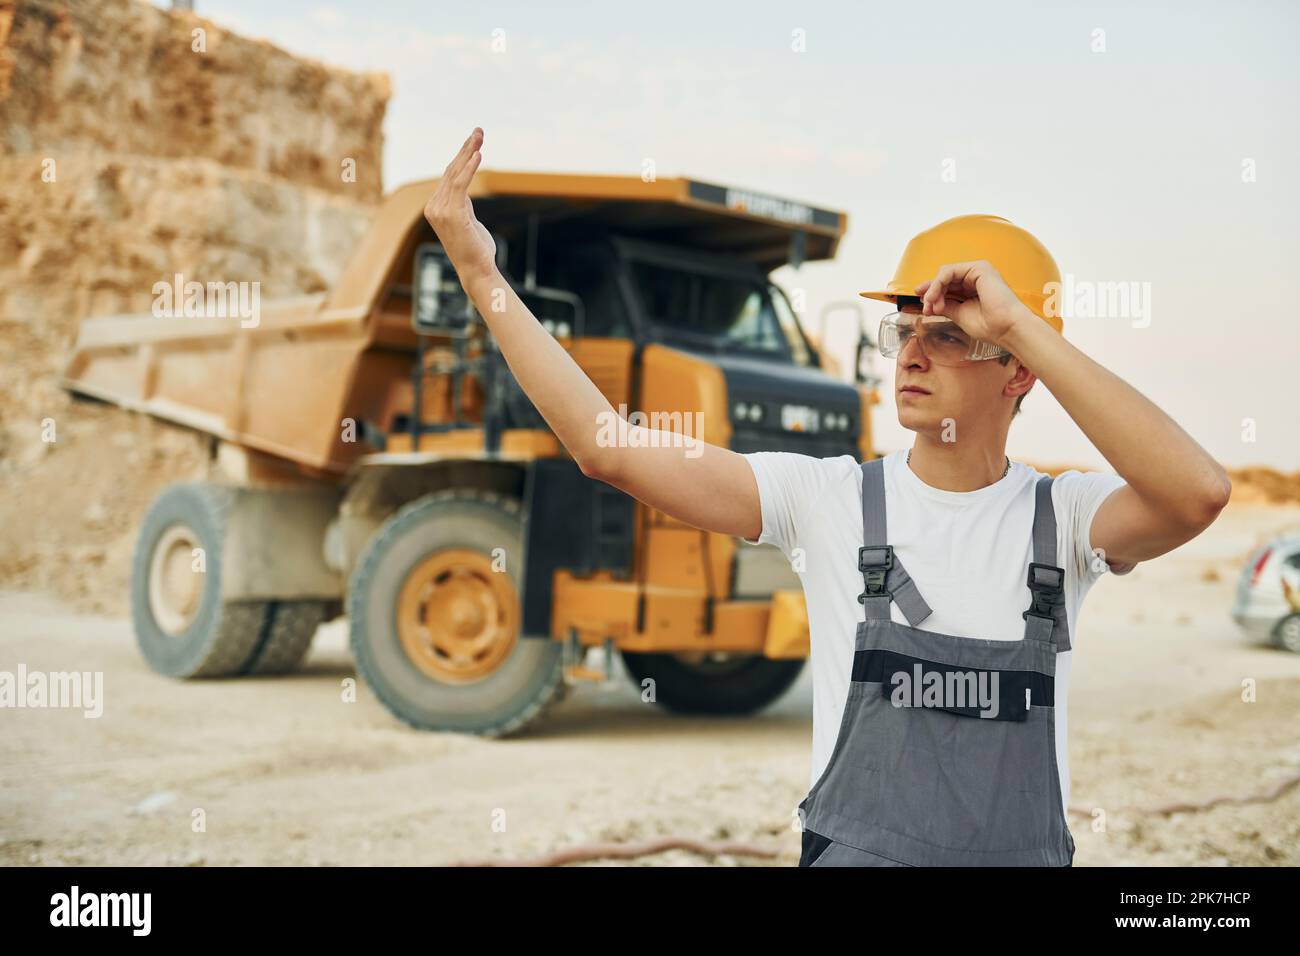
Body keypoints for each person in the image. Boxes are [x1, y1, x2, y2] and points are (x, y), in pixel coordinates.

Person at [424, 128, 1232, 867]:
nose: (914, 352)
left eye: (948, 335)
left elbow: (1197, 494)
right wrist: (478, 272)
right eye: (906, 329)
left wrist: (1020, 323)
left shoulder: (1064, 522)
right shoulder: (827, 499)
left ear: (1018, 368)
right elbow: (608, 447)